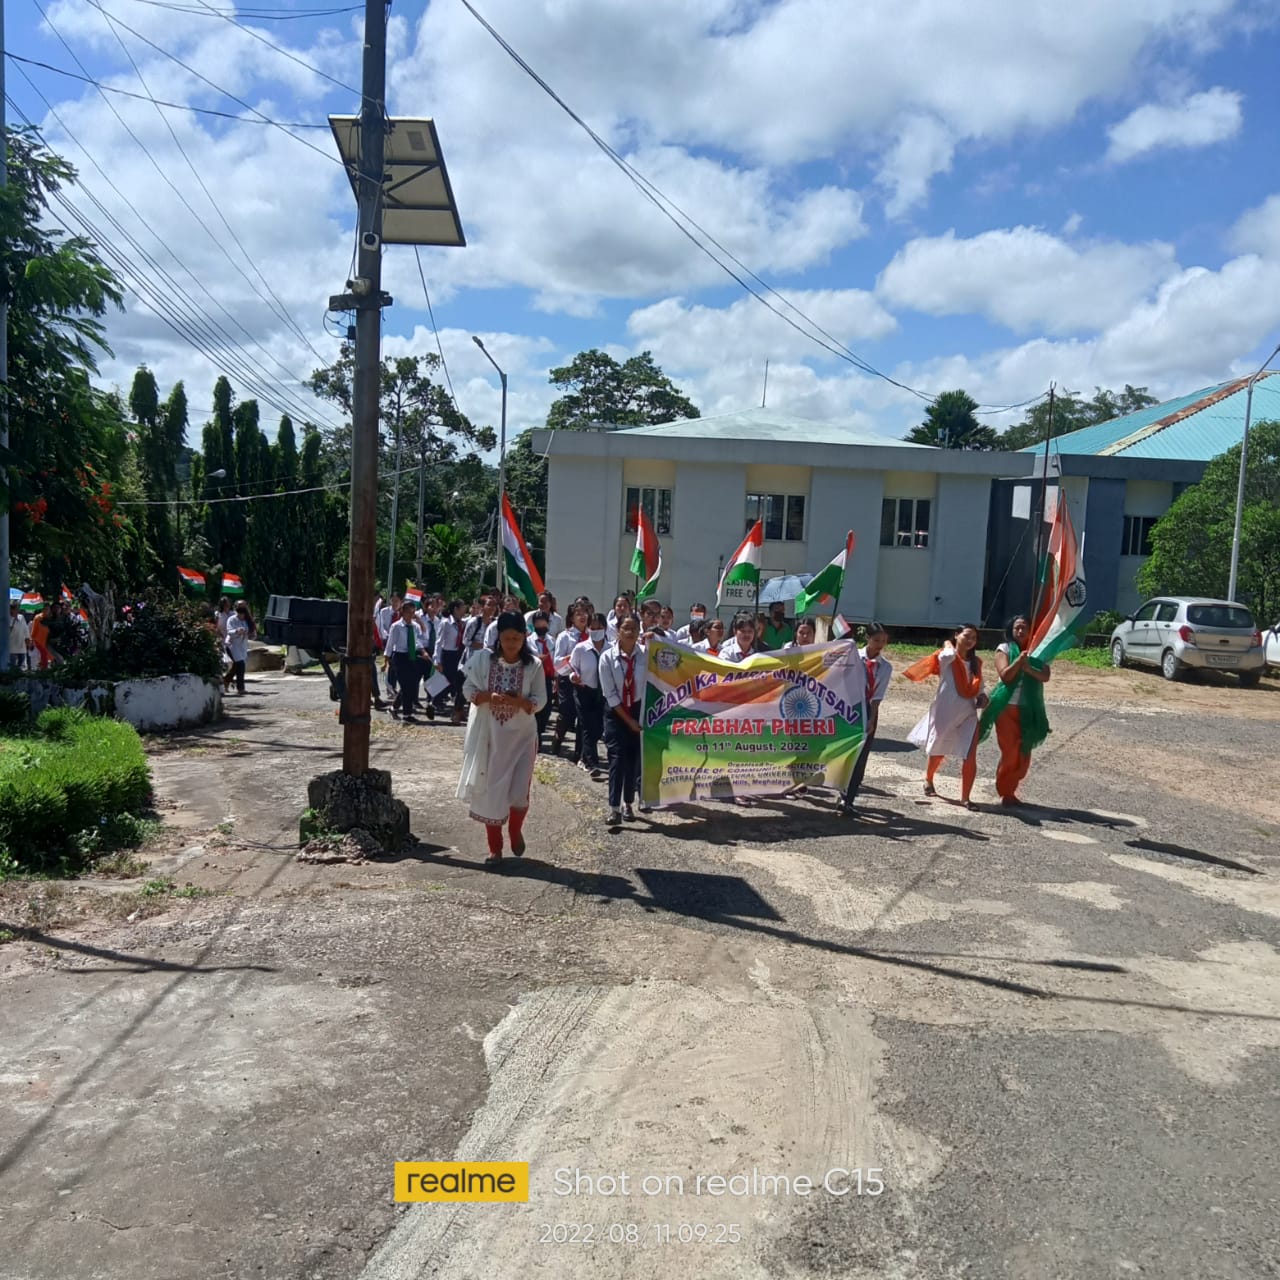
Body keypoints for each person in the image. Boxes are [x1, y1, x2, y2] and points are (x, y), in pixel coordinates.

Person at [457, 612, 549, 867]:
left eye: (517, 639)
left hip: (522, 738)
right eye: (507, 638)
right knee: (491, 793)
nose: (511, 644)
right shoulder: (483, 660)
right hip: (491, 738)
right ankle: (495, 850)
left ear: (524, 638)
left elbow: (541, 699)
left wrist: (522, 702)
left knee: (520, 792)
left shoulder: (534, 666)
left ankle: (515, 831)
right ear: (498, 637)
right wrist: (486, 697)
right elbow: (467, 689)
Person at [905, 624, 986, 808]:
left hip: (968, 713)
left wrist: (983, 696)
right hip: (945, 712)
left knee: (970, 754)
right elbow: (948, 655)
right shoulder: (947, 657)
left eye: (974, 638)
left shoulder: (977, 663)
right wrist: (949, 643)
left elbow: (980, 687)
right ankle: (928, 778)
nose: (970, 641)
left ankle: (965, 797)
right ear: (957, 635)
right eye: (967, 636)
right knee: (938, 750)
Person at [983, 614, 1052, 807]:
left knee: (1024, 753)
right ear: (1011, 631)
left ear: (1031, 631)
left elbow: (1045, 676)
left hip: (1029, 708)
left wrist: (1029, 668)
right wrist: (1018, 663)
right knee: (1011, 752)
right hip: (1005, 707)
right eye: (1017, 628)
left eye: (1024, 628)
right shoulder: (1003, 649)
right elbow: (1005, 676)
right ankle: (1006, 792)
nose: (1021, 631)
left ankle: (1011, 788)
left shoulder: (1039, 651)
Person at [599, 616, 647, 824]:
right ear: (618, 631)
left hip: (638, 710)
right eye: (626, 628)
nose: (630, 632)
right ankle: (614, 807)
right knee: (617, 759)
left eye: (634, 629)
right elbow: (610, 694)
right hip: (616, 712)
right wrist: (628, 721)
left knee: (632, 760)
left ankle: (628, 803)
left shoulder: (646, 654)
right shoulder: (607, 657)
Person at [842, 622, 892, 816]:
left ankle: (849, 799)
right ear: (867, 639)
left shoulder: (885, 667)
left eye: (883, 641)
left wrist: (871, 719)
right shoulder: (853, 657)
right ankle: (840, 791)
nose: (880, 644)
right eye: (876, 640)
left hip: (869, 709)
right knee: (846, 753)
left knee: (861, 756)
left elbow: (877, 697)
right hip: (848, 707)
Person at [569, 612, 608, 777]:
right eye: (593, 627)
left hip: (603, 693)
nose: (596, 630)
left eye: (599, 627)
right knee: (586, 726)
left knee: (598, 727)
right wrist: (574, 677)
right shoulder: (581, 648)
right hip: (584, 690)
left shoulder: (611, 648)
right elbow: (572, 668)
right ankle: (592, 763)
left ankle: (585, 757)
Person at [551, 604, 587, 755]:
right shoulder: (565, 636)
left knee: (583, 717)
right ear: (572, 618)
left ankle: (579, 752)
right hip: (568, 681)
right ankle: (557, 741)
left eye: (585, 612)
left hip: (585, 681)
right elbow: (557, 662)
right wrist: (573, 658)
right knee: (566, 713)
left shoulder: (592, 635)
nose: (582, 616)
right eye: (578, 614)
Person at [384, 600, 426, 721]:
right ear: (402, 612)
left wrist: (423, 651)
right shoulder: (396, 626)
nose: (410, 615)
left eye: (413, 612)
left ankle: (394, 708)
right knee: (405, 685)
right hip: (400, 657)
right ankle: (407, 714)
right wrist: (386, 660)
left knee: (411, 685)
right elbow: (390, 644)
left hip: (412, 656)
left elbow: (418, 641)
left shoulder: (415, 626)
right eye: (408, 612)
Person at [434, 599, 468, 724]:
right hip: (447, 654)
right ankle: (435, 700)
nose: (465, 609)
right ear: (456, 609)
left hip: (458, 654)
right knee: (448, 681)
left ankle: (438, 700)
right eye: (462, 607)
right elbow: (439, 642)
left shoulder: (463, 623)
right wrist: (437, 659)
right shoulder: (446, 623)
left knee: (457, 682)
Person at [528, 610, 557, 744]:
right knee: (535, 707)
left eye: (543, 623)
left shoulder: (552, 641)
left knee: (546, 708)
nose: (541, 626)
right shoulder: (528, 641)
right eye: (538, 624)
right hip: (533, 677)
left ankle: (540, 731)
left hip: (548, 677)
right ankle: (534, 737)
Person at [224, 602, 252, 695]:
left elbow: (251, 630)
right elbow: (229, 631)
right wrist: (237, 631)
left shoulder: (247, 620)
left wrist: (250, 633)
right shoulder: (231, 619)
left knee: (237, 666)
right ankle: (241, 688)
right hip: (232, 645)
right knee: (240, 665)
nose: (242, 616)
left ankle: (225, 680)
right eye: (240, 612)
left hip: (242, 646)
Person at [9, 600, 32, 671]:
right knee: (12, 666)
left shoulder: (21, 617)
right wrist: (12, 623)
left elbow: (25, 629)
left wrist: (28, 638)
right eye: (16, 609)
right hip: (11, 647)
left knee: (21, 666)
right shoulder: (7, 618)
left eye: (18, 609)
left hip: (21, 646)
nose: (17, 611)